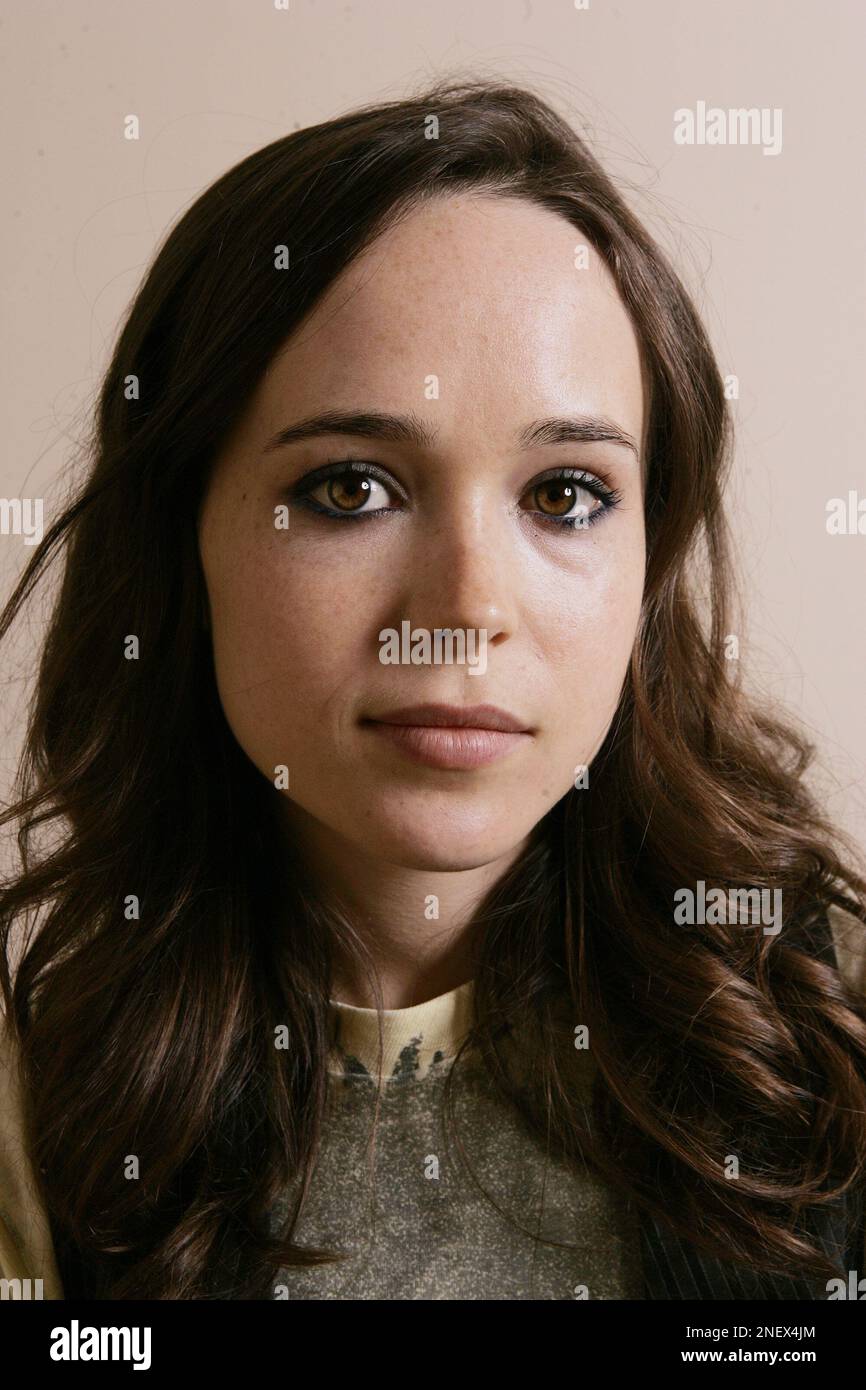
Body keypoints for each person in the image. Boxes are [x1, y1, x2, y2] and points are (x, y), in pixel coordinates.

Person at [1, 79, 865, 1302]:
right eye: (350, 487)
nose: (463, 609)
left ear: (646, 568)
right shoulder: (36, 1131)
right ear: (181, 539)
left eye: (564, 493)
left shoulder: (834, 1043)